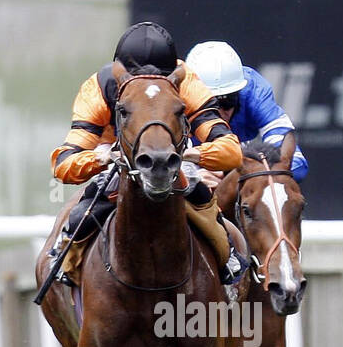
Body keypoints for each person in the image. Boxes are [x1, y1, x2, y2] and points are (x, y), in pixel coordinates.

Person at [48, 22, 244, 288]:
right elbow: (63, 164)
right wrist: (102, 158)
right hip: (119, 157)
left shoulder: (186, 82)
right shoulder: (100, 86)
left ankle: (228, 263)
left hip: (172, 159)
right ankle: (64, 261)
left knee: (211, 216)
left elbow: (232, 152)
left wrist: (189, 156)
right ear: (120, 77)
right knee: (81, 214)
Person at [184, 40, 308, 182]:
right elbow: (157, 164)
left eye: (227, 101)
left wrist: (241, 174)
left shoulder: (254, 93)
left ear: (239, 92)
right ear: (190, 96)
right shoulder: (174, 98)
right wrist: (191, 175)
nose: (220, 114)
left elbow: (297, 165)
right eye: (210, 104)